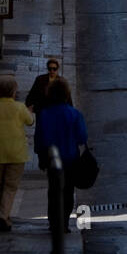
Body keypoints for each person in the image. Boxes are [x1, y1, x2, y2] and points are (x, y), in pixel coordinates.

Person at [0, 77, 34, 231]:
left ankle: (3, 216)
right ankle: (3, 216)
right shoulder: (19, 107)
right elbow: (30, 121)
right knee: (10, 186)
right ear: (13, 91)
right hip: (16, 152)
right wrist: (28, 112)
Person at [34, 79, 87, 234]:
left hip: (52, 159)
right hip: (70, 158)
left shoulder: (44, 114)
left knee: (53, 190)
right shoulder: (74, 114)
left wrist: (40, 157)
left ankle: (53, 222)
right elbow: (82, 137)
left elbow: (39, 138)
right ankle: (64, 222)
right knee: (68, 190)